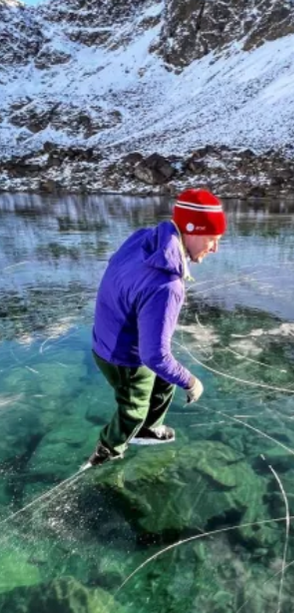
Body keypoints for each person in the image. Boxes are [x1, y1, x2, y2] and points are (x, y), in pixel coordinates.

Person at [85, 188, 225, 468]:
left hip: (111, 333)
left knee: (164, 379)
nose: (215, 248)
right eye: (213, 238)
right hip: (120, 355)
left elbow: (118, 271)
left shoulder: (145, 239)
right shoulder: (166, 285)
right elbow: (154, 356)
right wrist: (191, 382)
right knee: (133, 409)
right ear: (192, 230)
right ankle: (106, 452)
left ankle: (148, 429)